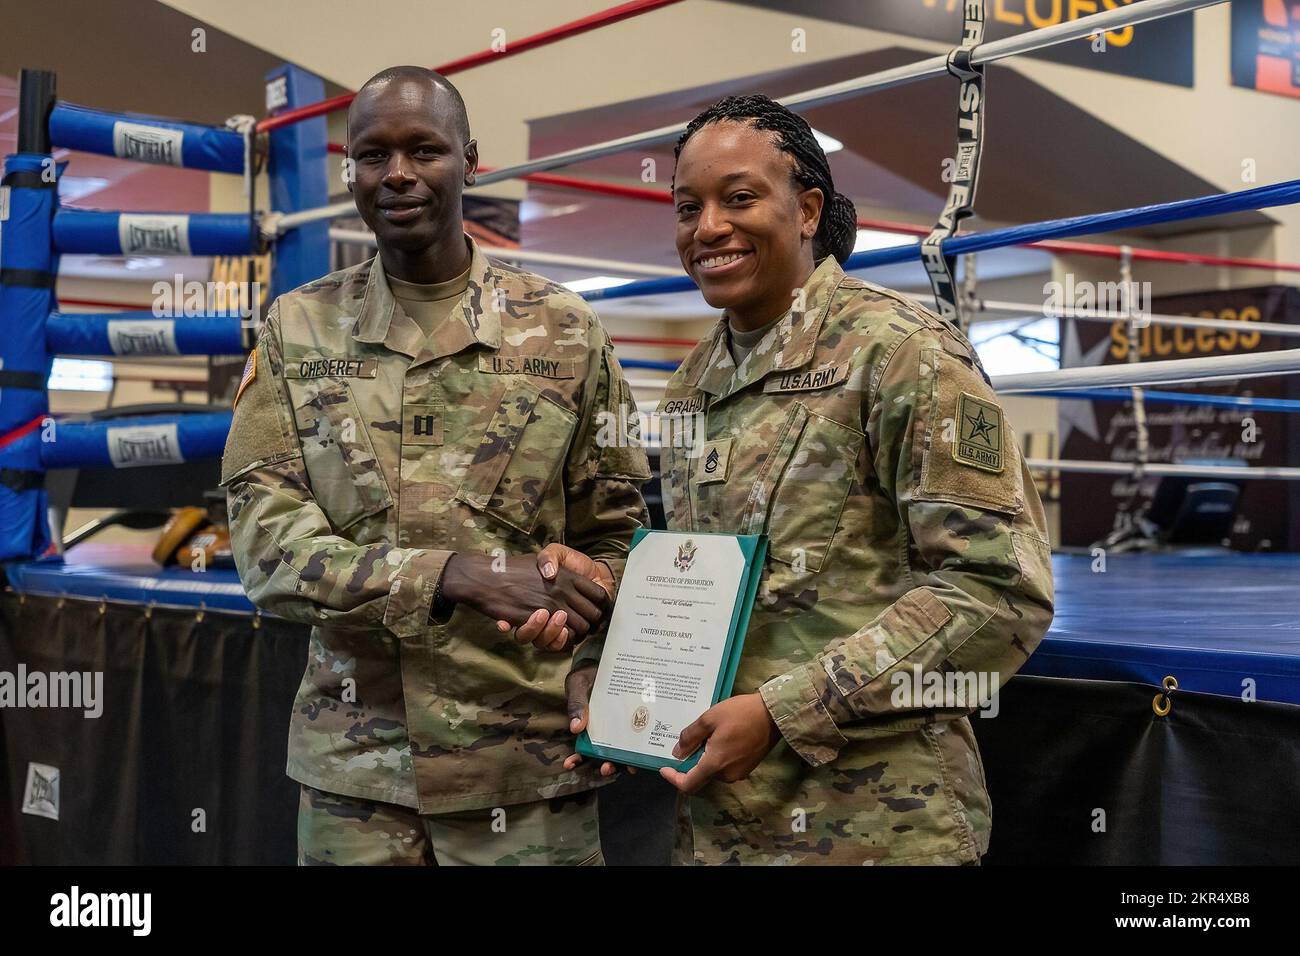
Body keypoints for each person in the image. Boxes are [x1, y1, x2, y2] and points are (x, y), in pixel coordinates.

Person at [551, 94, 1055, 864]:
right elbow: (694, 582)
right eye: (688, 207)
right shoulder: (694, 382)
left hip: (879, 827)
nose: (709, 227)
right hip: (720, 823)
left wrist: (786, 710)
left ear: (808, 208)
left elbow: (1000, 595)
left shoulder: (902, 356)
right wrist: (612, 683)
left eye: (740, 197)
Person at [220, 65, 650, 865]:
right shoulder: (298, 329)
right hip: (359, 783)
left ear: (471, 160)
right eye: (373, 155)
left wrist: (596, 647)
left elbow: (620, 536)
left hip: (527, 774)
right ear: (351, 170)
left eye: (425, 150)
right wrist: (455, 574)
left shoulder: (565, 331)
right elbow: (267, 554)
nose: (399, 175)